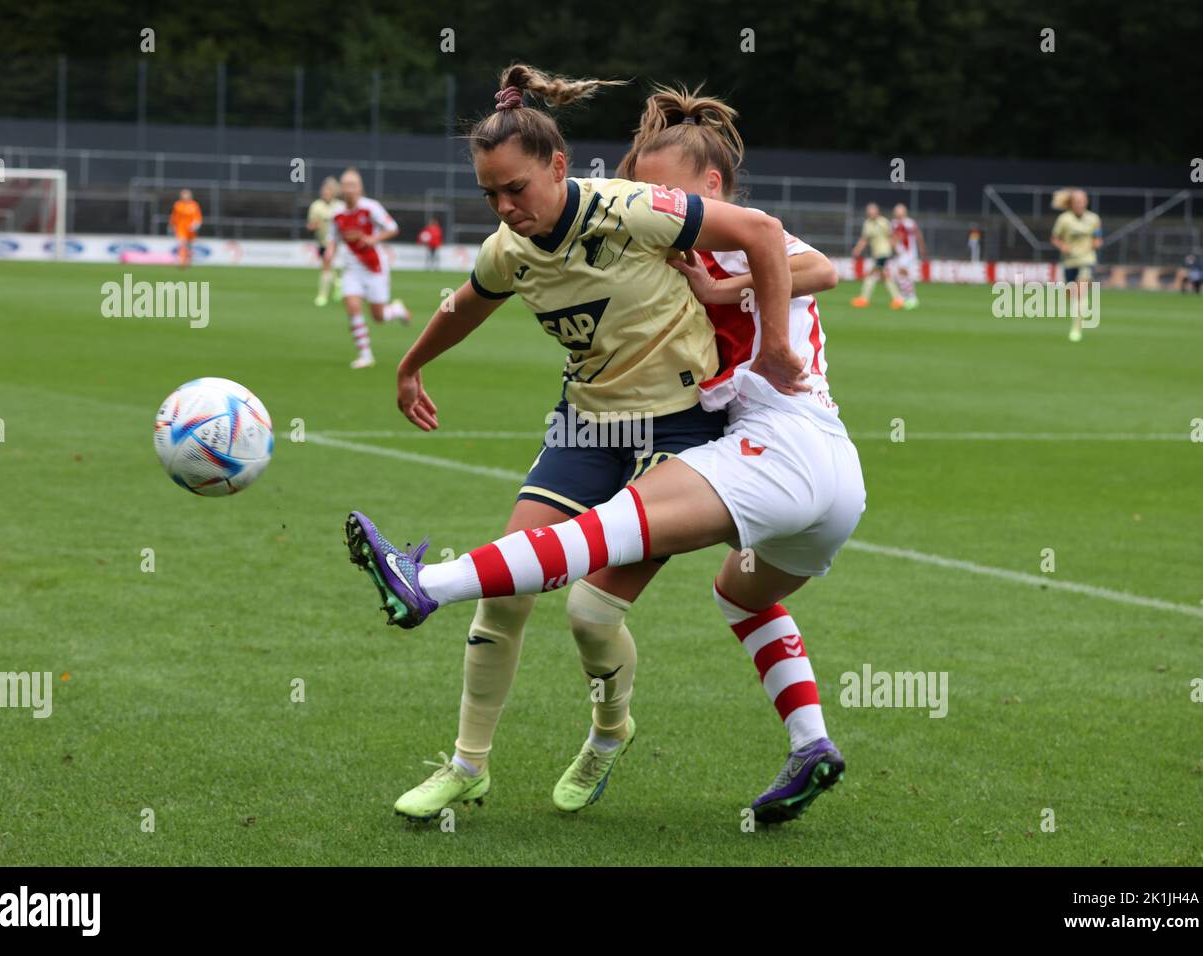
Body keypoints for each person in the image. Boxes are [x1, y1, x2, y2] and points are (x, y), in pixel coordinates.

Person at [346, 76, 861, 826]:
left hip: (684, 426)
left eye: (513, 189)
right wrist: (411, 362)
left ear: (558, 169)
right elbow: (467, 299)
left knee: (589, 611)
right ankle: (466, 764)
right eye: (490, 195)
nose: (504, 208)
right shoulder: (518, 243)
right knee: (513, 588)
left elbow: (793, 252)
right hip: (587, 423)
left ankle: (607, 730)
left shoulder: (650, 214)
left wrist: (753, 319)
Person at [325, 168, 412, 369]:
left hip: (374, 266)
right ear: (341, 189)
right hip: (351, 267)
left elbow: (393, 228)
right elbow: (333, 239)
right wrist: (329, 254)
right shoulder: (336, 214)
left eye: (353, 185)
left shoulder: (371, 208)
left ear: (360, 188)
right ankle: (365, 355)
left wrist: (374, 239)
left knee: (378, 317)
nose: (349, 189)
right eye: (345, 185)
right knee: (353, 306)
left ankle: (396, 310)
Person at [1050, 188, 1102, 342]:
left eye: (1082, 201)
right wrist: (1063, 247)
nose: (1080, 204)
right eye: (1077, 201)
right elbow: (1055, 238)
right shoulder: (1064, 219)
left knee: (1081, 290)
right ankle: (1078, 312)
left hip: (1087, 260)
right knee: (1071, 294)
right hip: (1069, 261)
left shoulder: (1094, 219)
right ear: (1071, 203)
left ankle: (1076, 328)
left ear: (1086, 202)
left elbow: (1098, 238)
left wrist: (1096, 243)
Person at [849, 202, 901, 308]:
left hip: (884, 252)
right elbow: (864, 239)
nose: (871, 213)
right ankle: (898, 299)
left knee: (871, 274)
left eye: (873, 211)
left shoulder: (883, 222)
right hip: (876, 253)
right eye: (869, 211)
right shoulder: (867, 223)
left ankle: (863, 299)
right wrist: (857, 249)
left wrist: (897, 249)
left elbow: (891, 236)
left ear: (877, 212)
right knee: (885, 276)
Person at [307, 177, 344, 306]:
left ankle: (322, 296)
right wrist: (315, 225)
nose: (324, 193)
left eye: (327, 191)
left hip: (334, 242)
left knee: (326, 266)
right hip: (321, 241)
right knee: (326, 266)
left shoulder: (339, 206)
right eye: (323, 191)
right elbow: (311, 225)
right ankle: (337, 283)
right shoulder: (316, 206)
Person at [890, 203, 924, 309]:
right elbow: (893, 237)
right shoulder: (893, 223)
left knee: (901, 271)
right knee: (900, 275)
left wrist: (922, 247)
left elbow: (917, 235)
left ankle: (912, 297)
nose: (898, 212)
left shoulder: (909, 223)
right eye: (896, 210)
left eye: (900, 210)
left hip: (909, 253)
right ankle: (906, 295)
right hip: (901, 253)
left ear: (904, 212)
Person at [169, 189, 202, 269]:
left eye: (187, 195)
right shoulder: (178, 204)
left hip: (191, 229)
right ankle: (182, 261)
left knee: (189, 246)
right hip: (181, 227)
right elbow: (174, 216)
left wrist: (196, 225)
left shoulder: (194, 205)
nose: (185, 196)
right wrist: (172, 225)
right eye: (184, 195)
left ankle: (188, 262)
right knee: (182, 244)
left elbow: (198, 217)